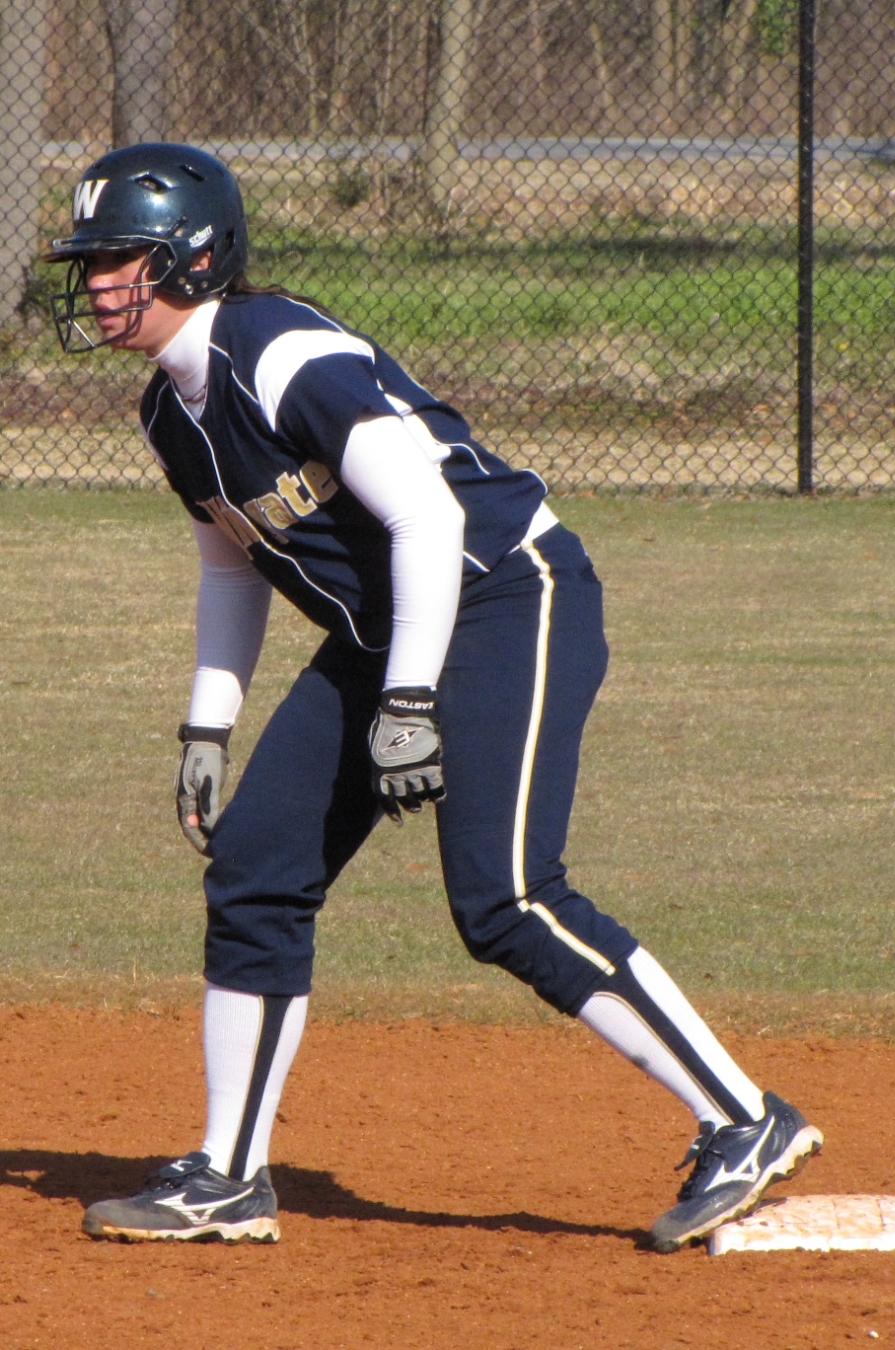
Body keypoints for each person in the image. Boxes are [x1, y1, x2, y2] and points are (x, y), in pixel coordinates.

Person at [44, 143, 822, 1251]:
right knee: (260, 865)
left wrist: (407, 699)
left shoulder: (283, 353)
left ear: (192, 257)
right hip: (388, 631)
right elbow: (233, 562)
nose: (98, 282)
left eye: (119, 258)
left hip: (507, 591)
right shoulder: (172, 415)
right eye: (95, 262)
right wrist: (207, 723)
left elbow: (430, 519)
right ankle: (227, 1175)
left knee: (504, 895)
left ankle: (745, 1117)